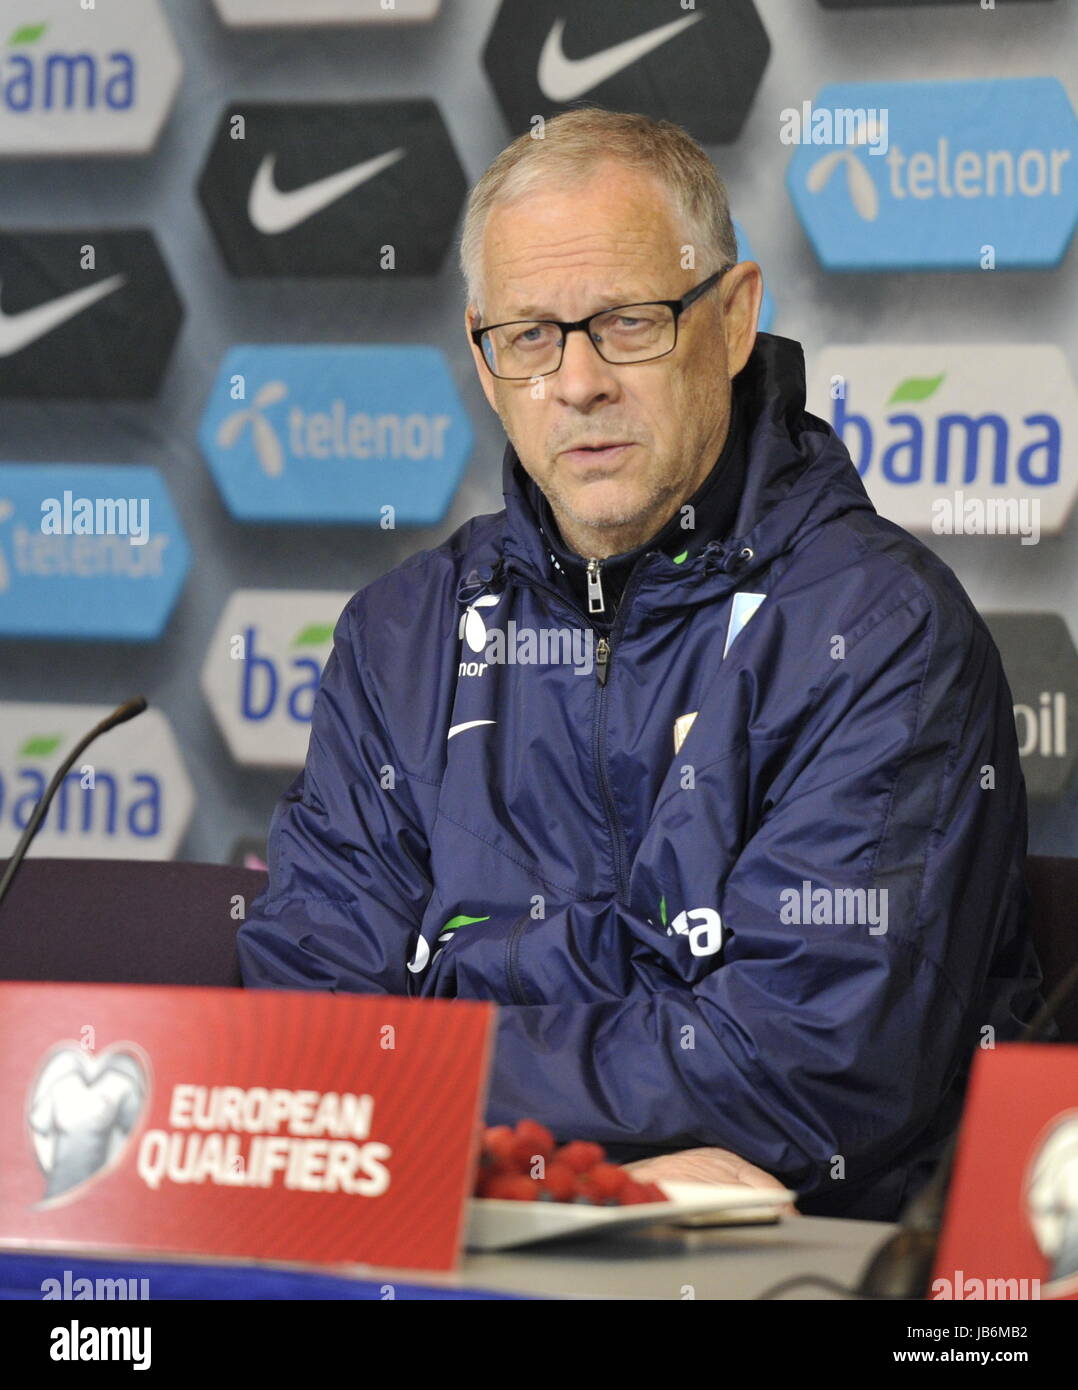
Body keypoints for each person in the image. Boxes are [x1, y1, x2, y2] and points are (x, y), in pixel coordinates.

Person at [237, 107, 1047, 1221]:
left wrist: (435, 1043)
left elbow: (807, 1064)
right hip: (431, 1247)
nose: (575, 383)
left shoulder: (883, 635)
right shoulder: (399, 636)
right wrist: (613, 1137)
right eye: (528, 335)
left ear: (730, 319)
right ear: (483, 358)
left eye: (625, 322)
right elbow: (305, 1036)